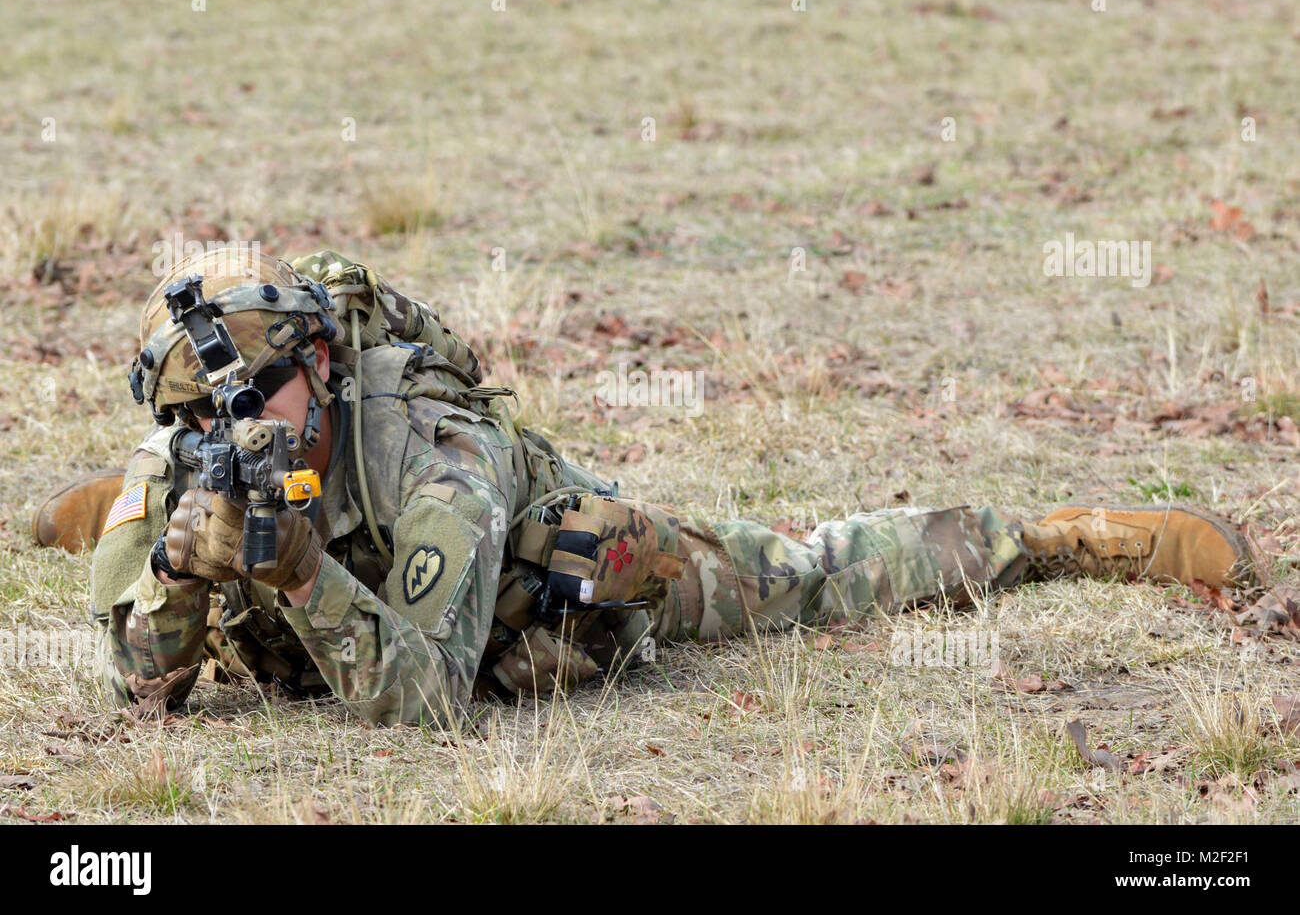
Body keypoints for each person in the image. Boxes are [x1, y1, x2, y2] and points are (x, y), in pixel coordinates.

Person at [36, 249, 1259, 727]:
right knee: (153, 538)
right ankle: (103, 517)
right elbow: (148, 691)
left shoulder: (431, 446)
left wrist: (294, 565)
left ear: (322, 370)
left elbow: (421, 702)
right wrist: (188, 584)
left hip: (532, 580)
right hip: (331, 597)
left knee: (793, 576)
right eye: (199, 421)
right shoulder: (190, 461)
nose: (230, 436)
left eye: (252, 408)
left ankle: (1046, 538)